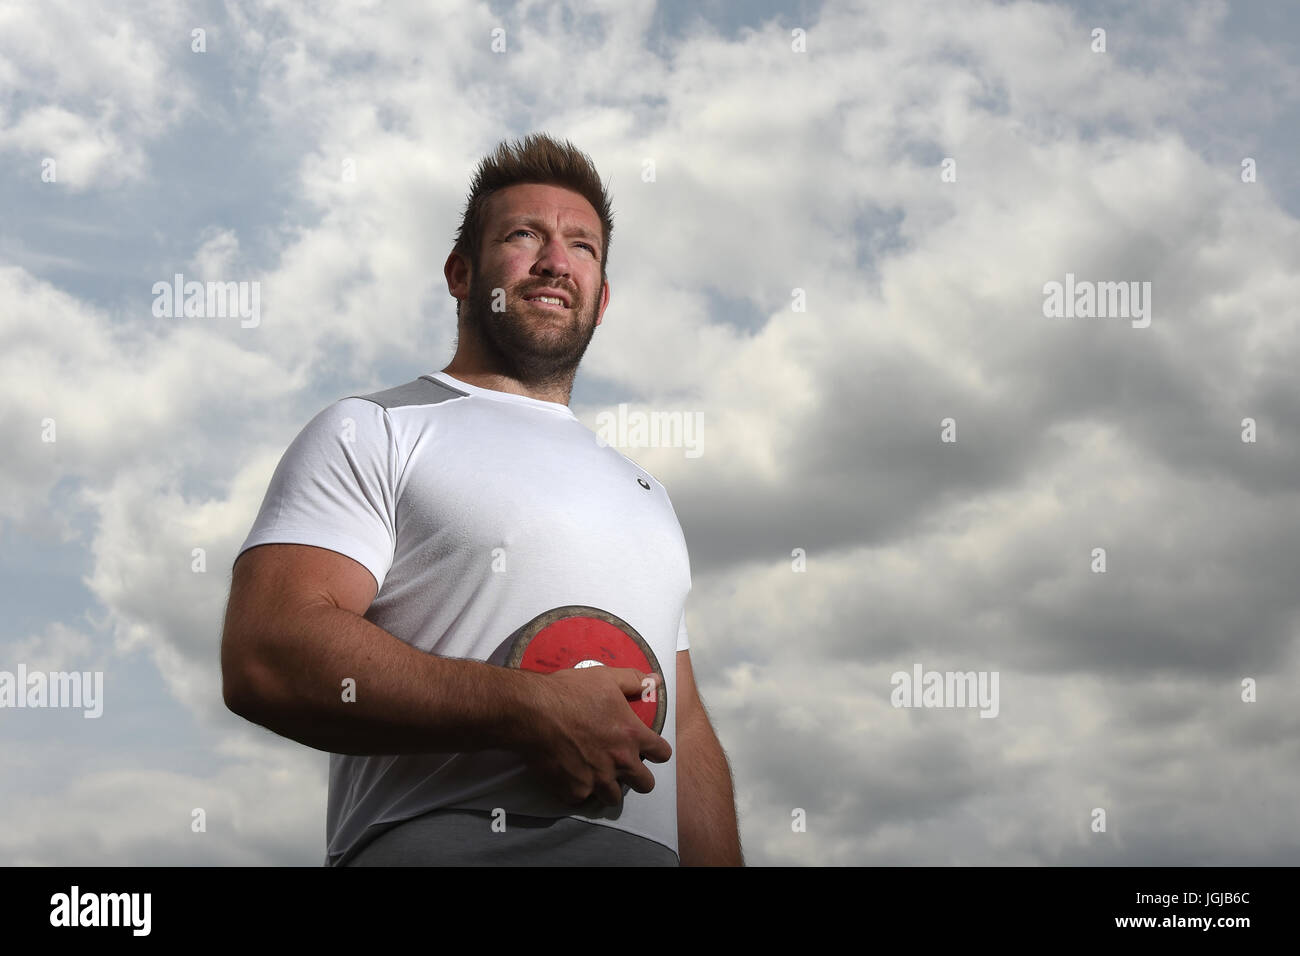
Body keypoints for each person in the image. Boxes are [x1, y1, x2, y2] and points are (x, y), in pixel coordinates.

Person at [220, 133, 743, 866]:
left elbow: (682, 731)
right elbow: (267, 653)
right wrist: (526, 710)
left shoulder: (648, 494)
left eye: (582, 247)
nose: (555, 261)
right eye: (523, 235)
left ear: (602, 297)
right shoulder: (374, 429)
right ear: (461, 273)